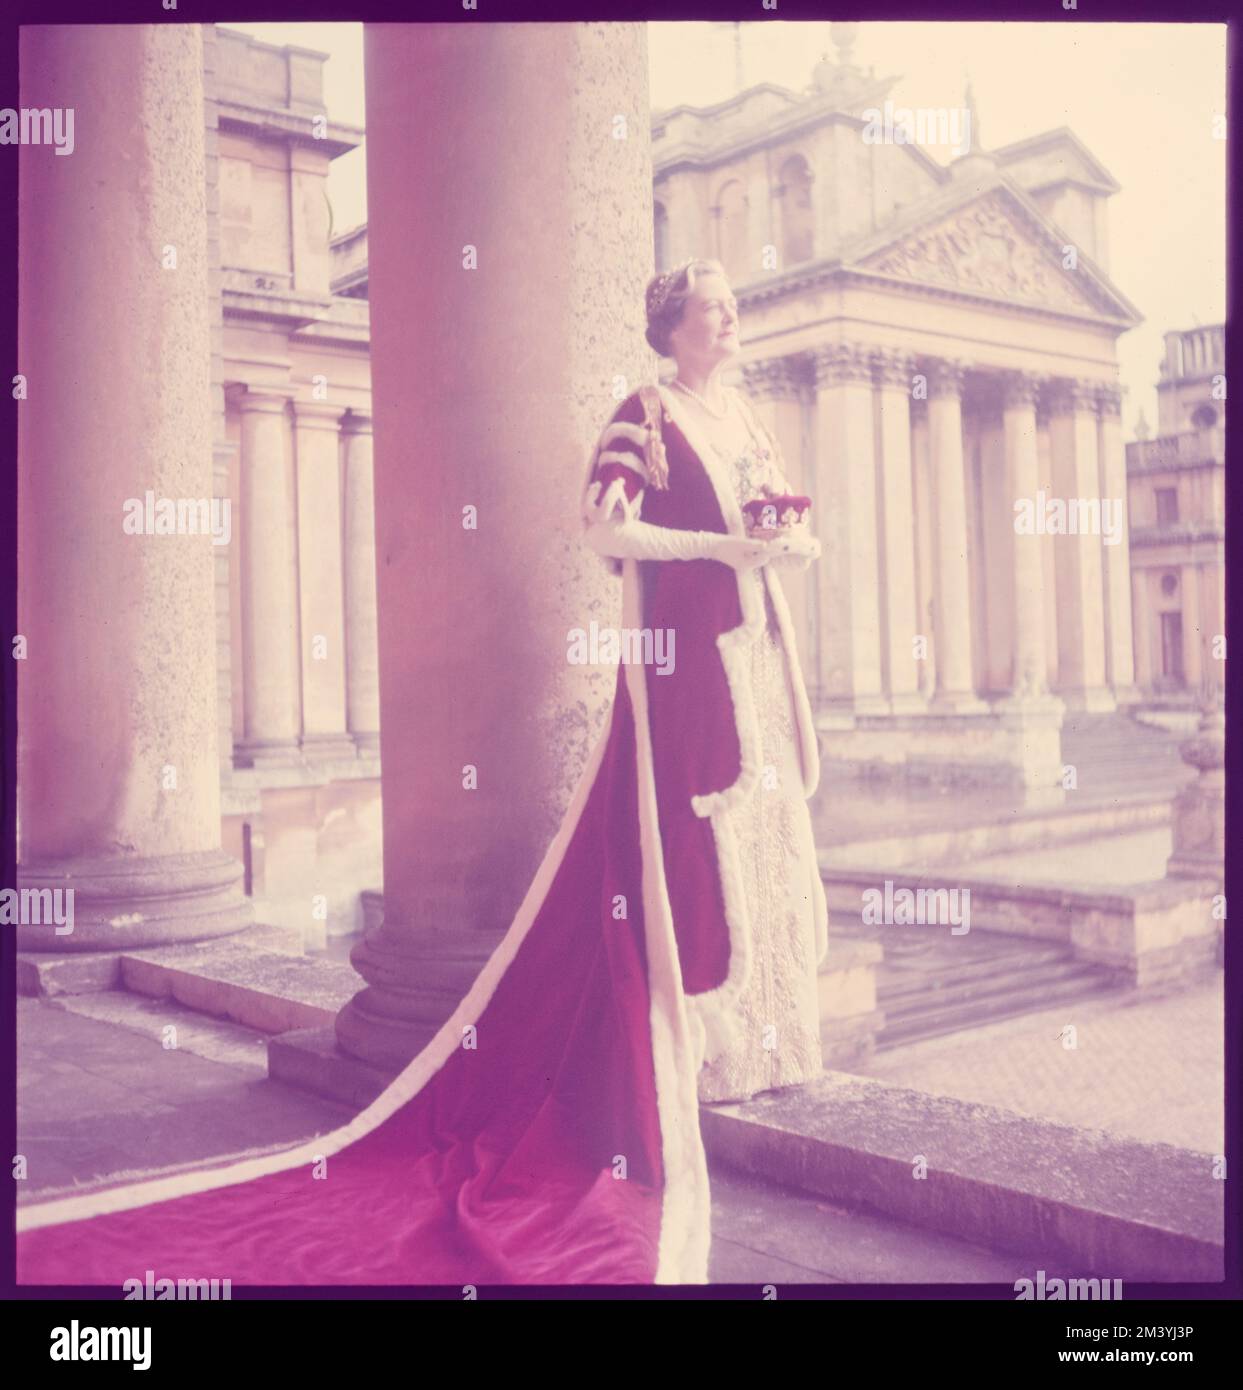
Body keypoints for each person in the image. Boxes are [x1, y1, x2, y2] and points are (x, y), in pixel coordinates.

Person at [16, 256, 826, 1289]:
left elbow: (778, 521)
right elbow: (601, 526)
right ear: (671, 328)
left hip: (752, 646)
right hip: (686, 654)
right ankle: (696, 1046)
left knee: (752, 824)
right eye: (709, 308)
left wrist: (789, 545)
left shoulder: (746, 419)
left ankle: (761, 1036)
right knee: (691, 823)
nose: (728, 317)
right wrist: (717, 545)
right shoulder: (648, 410)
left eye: (731, 305)